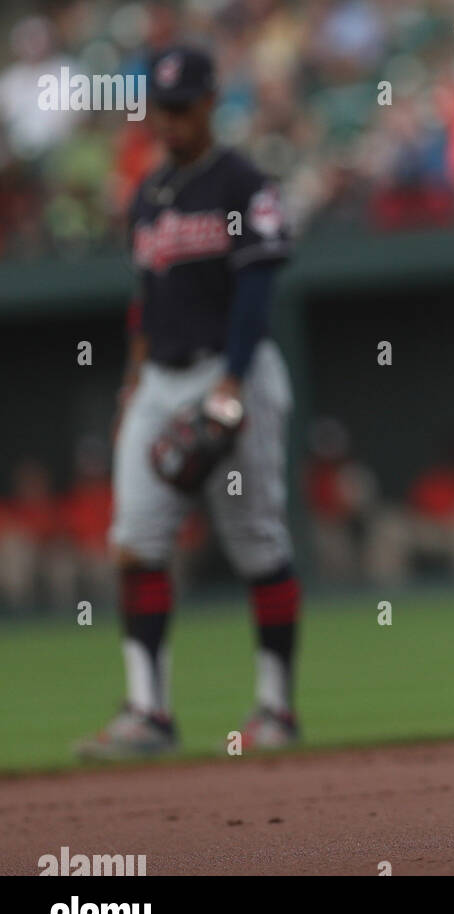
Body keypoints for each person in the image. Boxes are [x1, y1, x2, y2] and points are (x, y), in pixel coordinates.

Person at [77, 46, 300, 758]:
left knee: (256, 540)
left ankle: (275, 708)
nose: (167, 119)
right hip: (161, 380)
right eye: (159, 107)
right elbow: (144, 302)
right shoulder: (150, 193)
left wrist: (232, 383)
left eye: (179, 105)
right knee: (135, 543)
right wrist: (131, 385)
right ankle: (148, 712)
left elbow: (257, 292)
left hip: (233, 374)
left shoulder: (243, 182)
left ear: (208, 103)